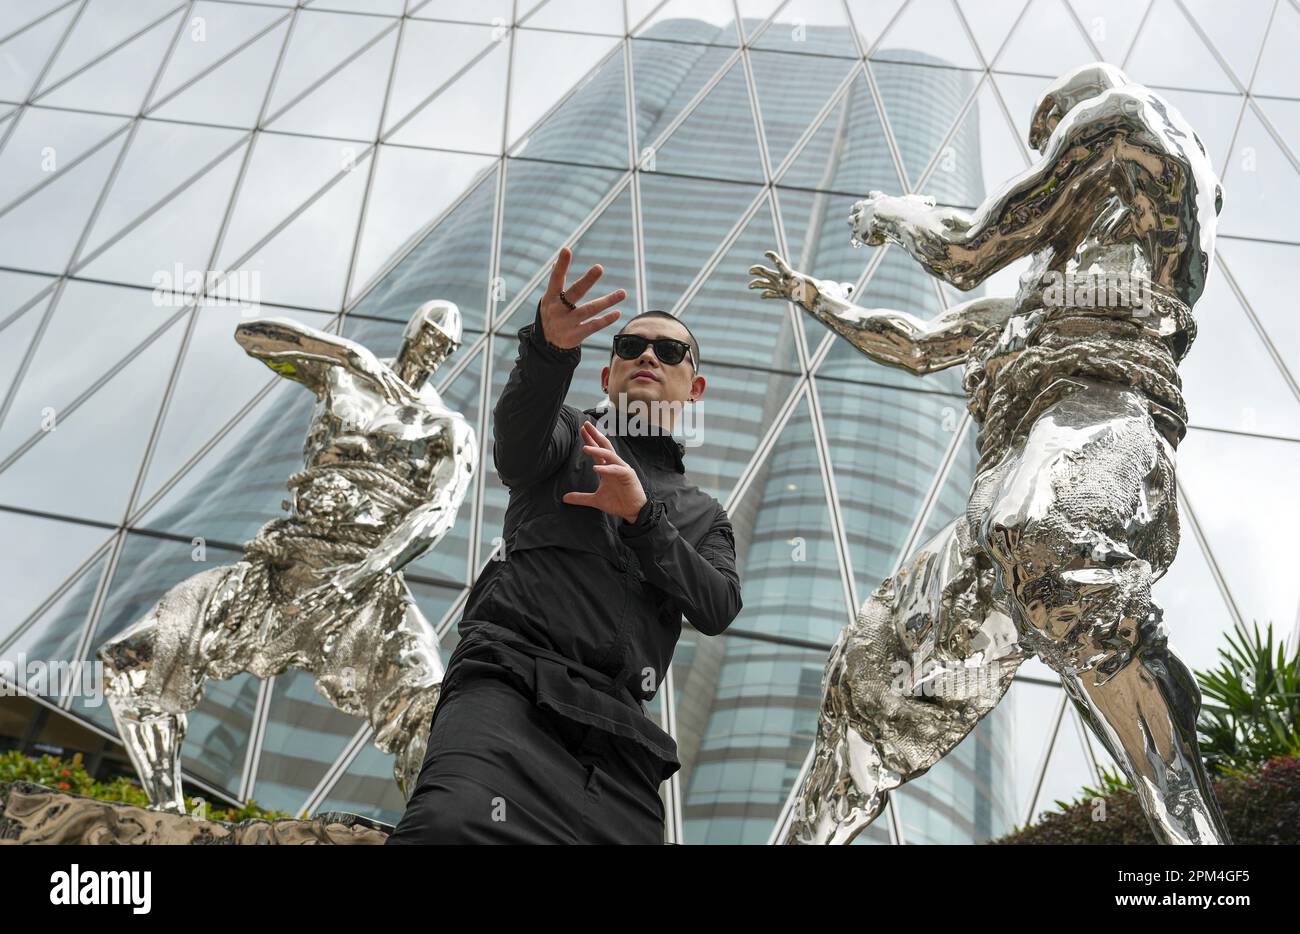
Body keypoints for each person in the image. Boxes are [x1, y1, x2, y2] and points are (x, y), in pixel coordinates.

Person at [386, 246, 743, 844]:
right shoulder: (565, 434)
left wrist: (642, 517)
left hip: (619, 747)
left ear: (695, 385)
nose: (648, 355)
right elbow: (518, 440)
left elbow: (718, 605)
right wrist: (549, 351)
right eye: (630, 347)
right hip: (510, 690)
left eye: (669, 350)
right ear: (607, 375)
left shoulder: (705, 515)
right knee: (447, 827)